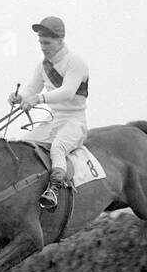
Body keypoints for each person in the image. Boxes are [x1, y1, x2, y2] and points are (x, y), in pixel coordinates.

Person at [8, 15, 90, 210]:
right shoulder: (43, 65)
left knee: (58, 148)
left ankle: (54, 190)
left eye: (47, 42)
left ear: (60, 40)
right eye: (40, 42)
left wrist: (39, 99)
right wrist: (19, 97)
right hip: (53, 121)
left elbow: (68, 92)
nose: (43, 47)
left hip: (74, 122)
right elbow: (31, 90)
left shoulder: (75, 62)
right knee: (22, 145)